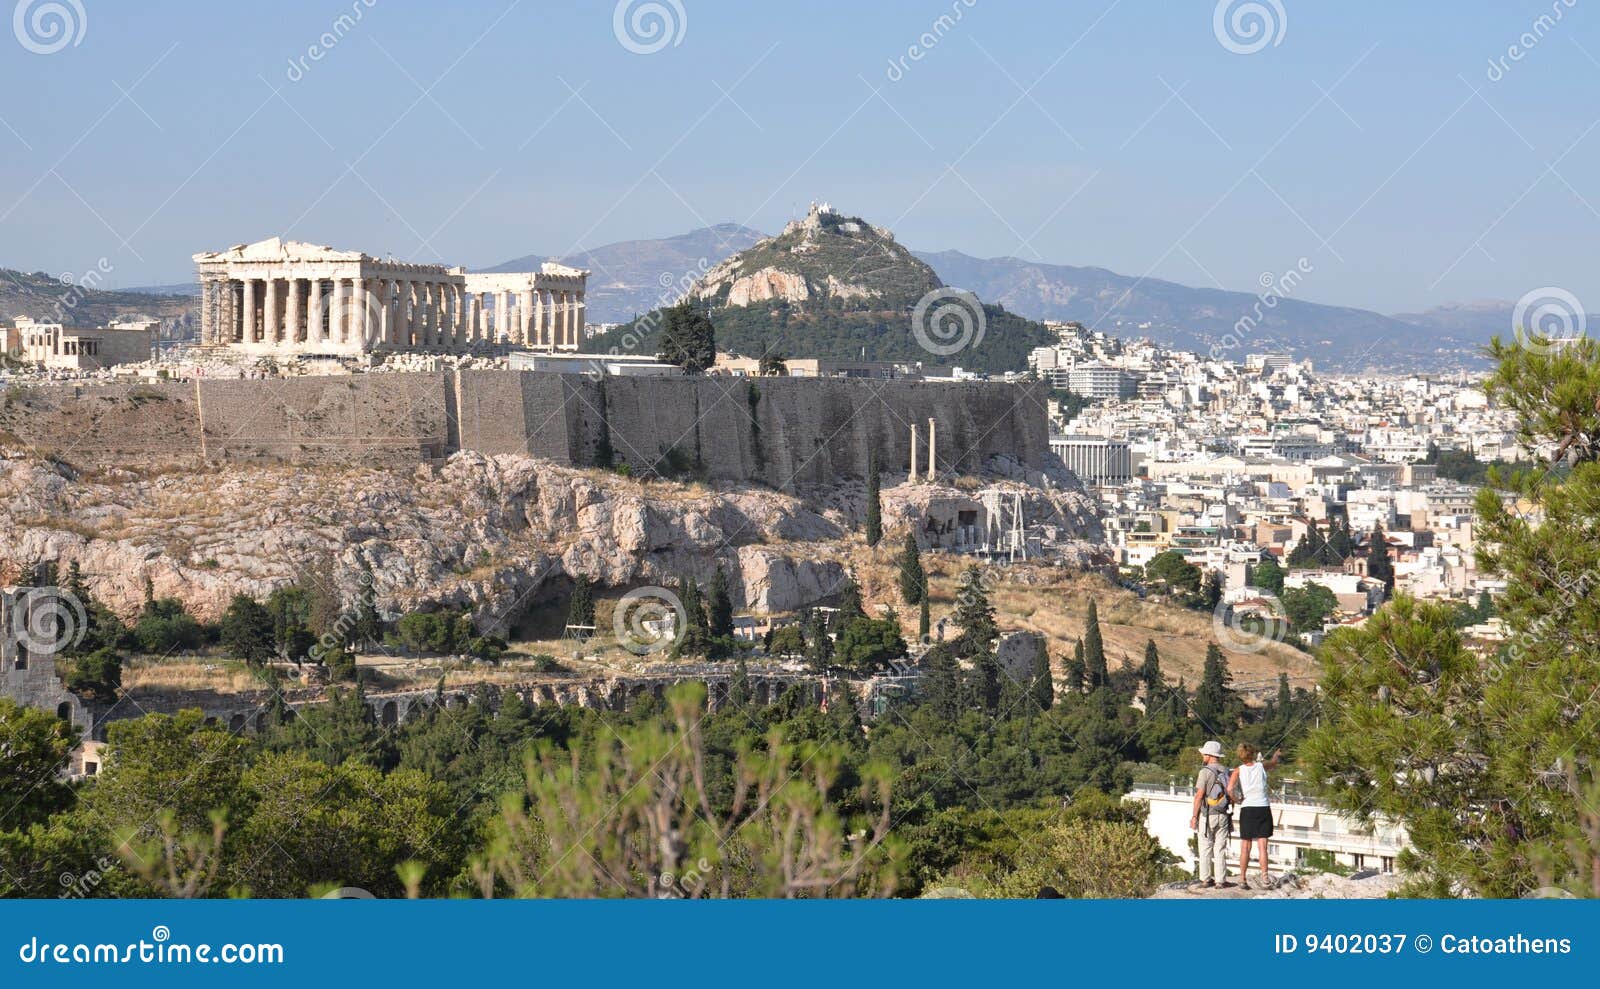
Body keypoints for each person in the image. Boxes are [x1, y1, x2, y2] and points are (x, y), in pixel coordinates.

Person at [1228, 743, 1282, 890]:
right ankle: (1265, 878)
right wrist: (1276, 755)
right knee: (1262, 846)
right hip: (1263, 807)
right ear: (1252, 753)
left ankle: (1242, 878)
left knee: (1245, 846)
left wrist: (1236, 800)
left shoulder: (1238, 771)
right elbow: (1273, 763)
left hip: (1247, 808)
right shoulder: (1261, 766)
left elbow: (1230, 789)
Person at [1187, 740, 1234, 891]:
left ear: (1209, 755)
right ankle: (1220, 881)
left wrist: (1194, 816)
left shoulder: (1205, 772)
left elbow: (1199, 796)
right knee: (1220, 847)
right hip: (1224, 814)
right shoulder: (1226, 771)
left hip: (1208, 815)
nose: (1202, 756)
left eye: (1204, 754)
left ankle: (1206, 879)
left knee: (1206, 846)